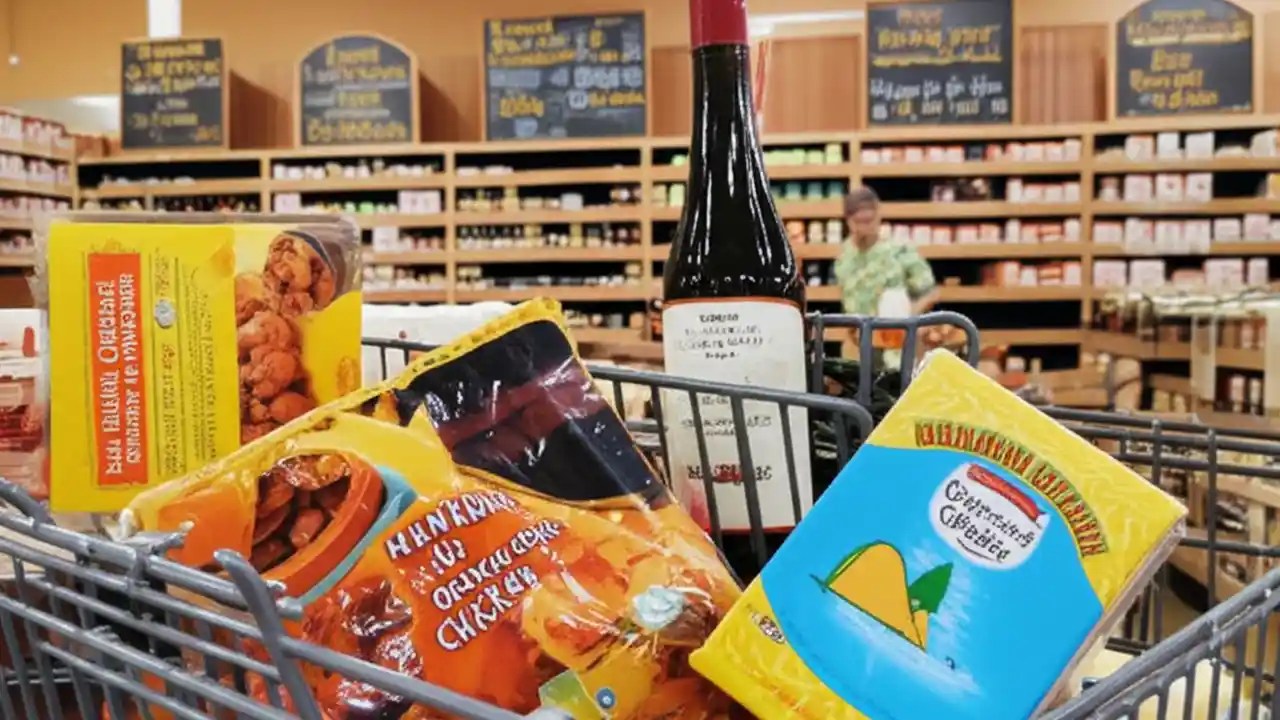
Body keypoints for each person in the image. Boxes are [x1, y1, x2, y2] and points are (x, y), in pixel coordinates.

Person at [834, 186, 940, 365]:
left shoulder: (899, 250)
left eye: (870, 220)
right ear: (848, 221)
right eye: (858, 221)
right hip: (859, 346)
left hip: (895, 348)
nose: (865, 226)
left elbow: (931, 292)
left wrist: (907, 318)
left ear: (878, 216)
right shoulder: (844, 256)